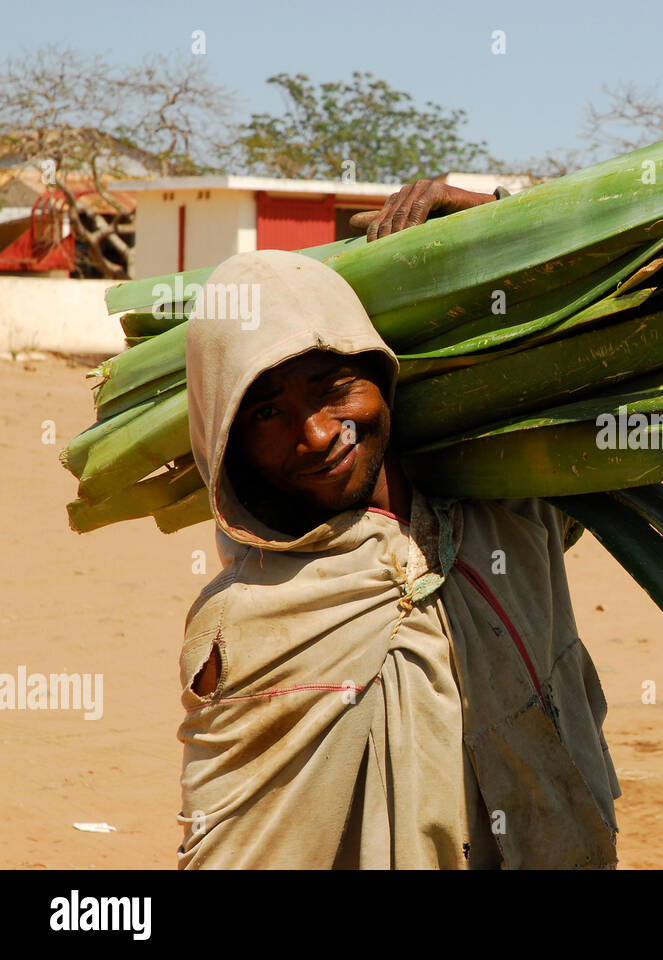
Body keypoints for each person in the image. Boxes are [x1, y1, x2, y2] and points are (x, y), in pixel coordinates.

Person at [175, 180, 620, 869]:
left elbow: (621, 342)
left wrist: (494, 218)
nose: (319, 434)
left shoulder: (514, 518)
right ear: (226, 439)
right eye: (266, 413)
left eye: (333, 388)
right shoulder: (248, 624)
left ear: (382, 374)